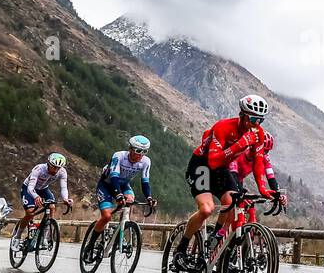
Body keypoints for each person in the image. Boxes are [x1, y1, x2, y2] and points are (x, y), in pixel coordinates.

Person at [176, 94, 271, 262]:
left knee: (232, 202)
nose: (255, 124)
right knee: (207, 209)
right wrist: (240, 144)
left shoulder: (258, 134)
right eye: (253, 119)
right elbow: (213, 161)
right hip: (202, 166)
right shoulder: (223, 127)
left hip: (223, 168)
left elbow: (258, 163)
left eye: (260, 121)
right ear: (242, 114)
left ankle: (216, 236)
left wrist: (263, 189)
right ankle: (182, 247)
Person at [86, 136, 156, 260]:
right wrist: (118, 195)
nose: (141, 155)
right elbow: (114, 177)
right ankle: (90, 246)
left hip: (123, 185)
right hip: (107, 184)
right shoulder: (119, 156)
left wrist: (149, 197)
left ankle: (121, 229)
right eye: (138, 151)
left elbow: (145, 182)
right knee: (106, 216)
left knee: (130, 201)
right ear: (130, 149)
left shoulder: (146, 162)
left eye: (144, 152)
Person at [229, 130, 288, 208]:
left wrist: (278, 195)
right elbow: (233, 175)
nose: (263, 154)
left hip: (238, 180)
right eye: (262, 150)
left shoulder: (264, 158)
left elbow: (271, 178)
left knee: (247, 207)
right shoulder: (240, 152)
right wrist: (240, 191)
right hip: (226, 178)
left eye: (266, 151)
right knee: (229, 203)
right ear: (252, 146)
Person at [16, 152, 72, 234]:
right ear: (49, 164)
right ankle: (17, 236)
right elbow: (30, 188)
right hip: (28, 189)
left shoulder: (62, 172)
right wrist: (36, 197)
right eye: (54, 167)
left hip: (43, 189)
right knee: (30, 213)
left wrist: (66, 199)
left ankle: (46, 234)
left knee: (52, 207)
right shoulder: (39, 169)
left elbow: (63, 188)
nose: (56, 170)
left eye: (59, 168)